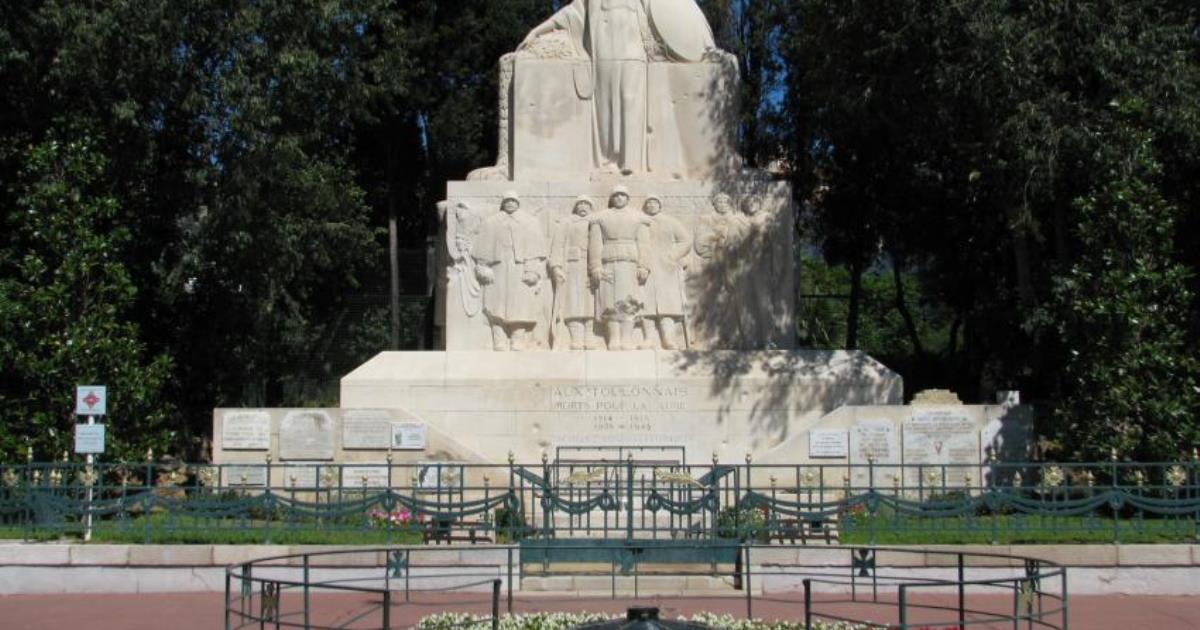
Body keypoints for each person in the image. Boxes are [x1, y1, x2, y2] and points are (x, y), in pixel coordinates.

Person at [520, 0, 650, 174]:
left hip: (634, 54)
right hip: (605, 53)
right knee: (606, 104)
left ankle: (632, 163)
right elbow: (571, 14)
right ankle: (610, 160)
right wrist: (536, 31)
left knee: (630, 100)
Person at [473, 192, 548, 351]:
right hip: (498, 266)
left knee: (520, 304)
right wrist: (483, 266)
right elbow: (482, 250)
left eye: (513, 200)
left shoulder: (529, 222)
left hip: (520, 267)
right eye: (507, 200)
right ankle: (499, 338)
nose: (510, 203)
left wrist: (533, 270)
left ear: (518, 203)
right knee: (496, 303)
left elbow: (536, 250)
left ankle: (517, 338)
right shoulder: (492, 222)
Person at [589, 185, 651, 350]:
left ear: (627, 198)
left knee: (629, 301)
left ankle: (627, 338)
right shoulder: (600, 217)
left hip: (630, 262)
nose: (619, 198)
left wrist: (644, 266)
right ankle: (614, 338)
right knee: (609, 302)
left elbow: (644, 244)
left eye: (622, 195)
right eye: (616, 195)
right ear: (611, 198)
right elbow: (595, 244)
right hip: (608, 262)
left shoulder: (639, 217)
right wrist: (595, 266)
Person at [640, 195, 692, 349]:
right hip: (645, 266)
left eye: (654, 202)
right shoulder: (641, 222)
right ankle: (648, 337)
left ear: (659, 205)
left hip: (666, 267)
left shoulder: (670, 222)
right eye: (648, 203)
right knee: (645, 303)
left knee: (667, 303)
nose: (651, 205)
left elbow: (686, 241)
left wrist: (673, 256)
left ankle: (668, 338)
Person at [550, 196, 598, 350]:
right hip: (572, 266)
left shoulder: (596, 222)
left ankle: (589, 335)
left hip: (592, 267)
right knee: (573, 301)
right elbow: (557, 245)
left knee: (591, 302)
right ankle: (575, 337)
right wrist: (557, 266)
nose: (583, 206)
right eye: (580, 204)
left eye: (587, 204)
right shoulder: (567, 222)